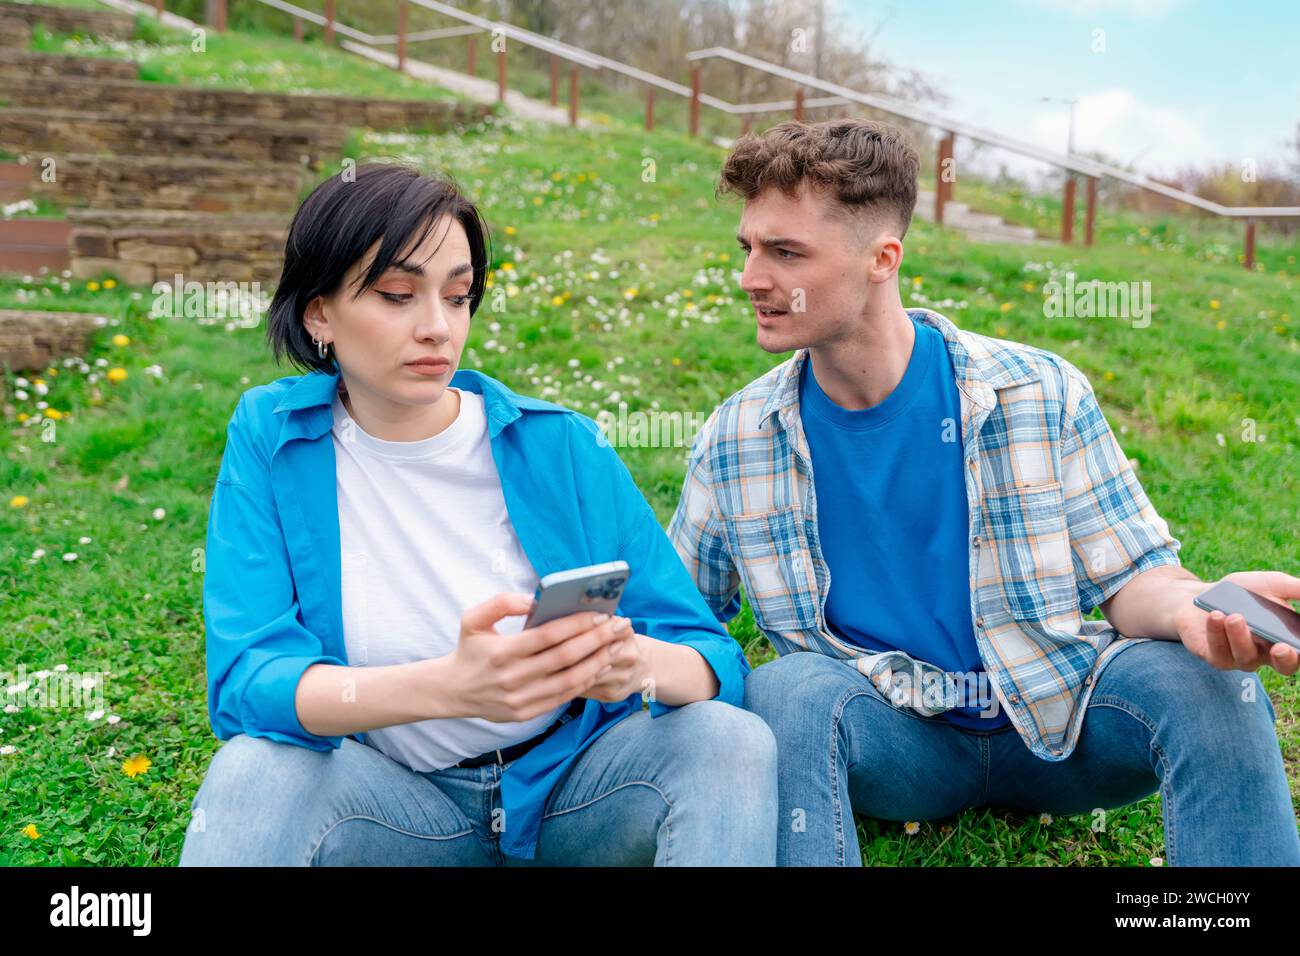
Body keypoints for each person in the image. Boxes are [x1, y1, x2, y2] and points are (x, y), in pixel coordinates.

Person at [667, 117, 1300, 866]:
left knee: (1207, 682)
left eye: (785, 252)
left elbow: (1135, 581)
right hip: (895, 743)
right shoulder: (734, 437)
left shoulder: (1037, 390)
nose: (750, 277)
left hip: (1064, 725)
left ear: (882, 258)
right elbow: (683, 619)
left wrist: (1198, 606)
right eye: (748, 248)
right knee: (791, 692)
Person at [179, 162, 776, 866]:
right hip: (398, 803)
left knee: (729, 740)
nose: (437, 327)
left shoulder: (559, 443)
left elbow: (713, 659)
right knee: (255, 769)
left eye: (458, 297)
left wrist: (634, 662)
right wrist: (447, 686)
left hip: (570, 794)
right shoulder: (271, 437)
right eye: (398, 295)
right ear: (319, 313)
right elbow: (247, 682)